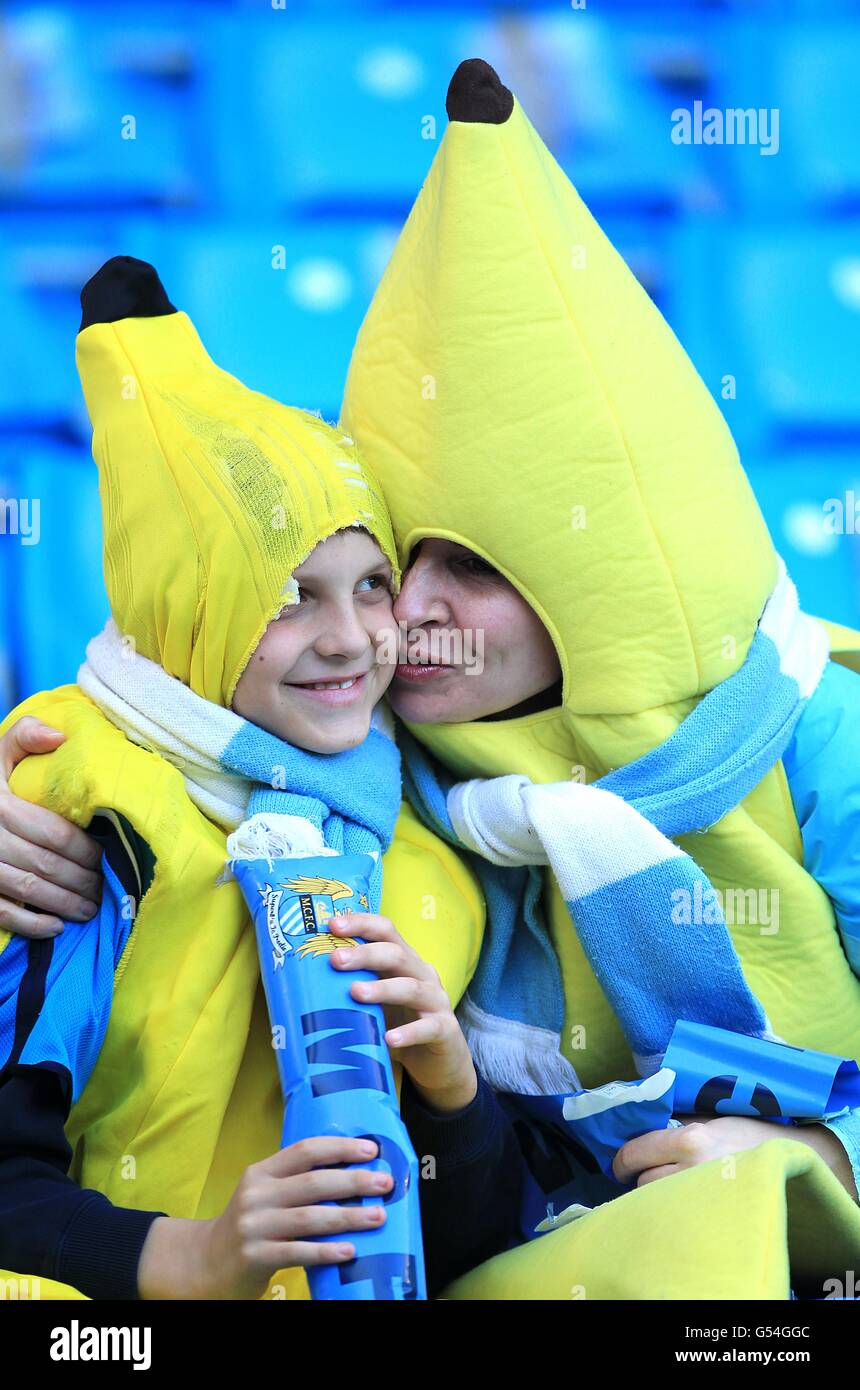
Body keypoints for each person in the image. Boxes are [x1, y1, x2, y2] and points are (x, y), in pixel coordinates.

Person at [6, 60, 860, 1299]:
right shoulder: (385, 773)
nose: (402, 617)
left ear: (594, 575)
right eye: (409, 559)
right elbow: (174, 681)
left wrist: (820, 1150)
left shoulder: (821, 732)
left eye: (467, 567)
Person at [0, 255, 486, 1301]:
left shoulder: (429, 848)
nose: (350, 638)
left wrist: (450, 1091)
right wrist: (196, 1257)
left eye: (371, 585)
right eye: (288, 597)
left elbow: (470, 1239)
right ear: (190, 608)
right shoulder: (76, 800)